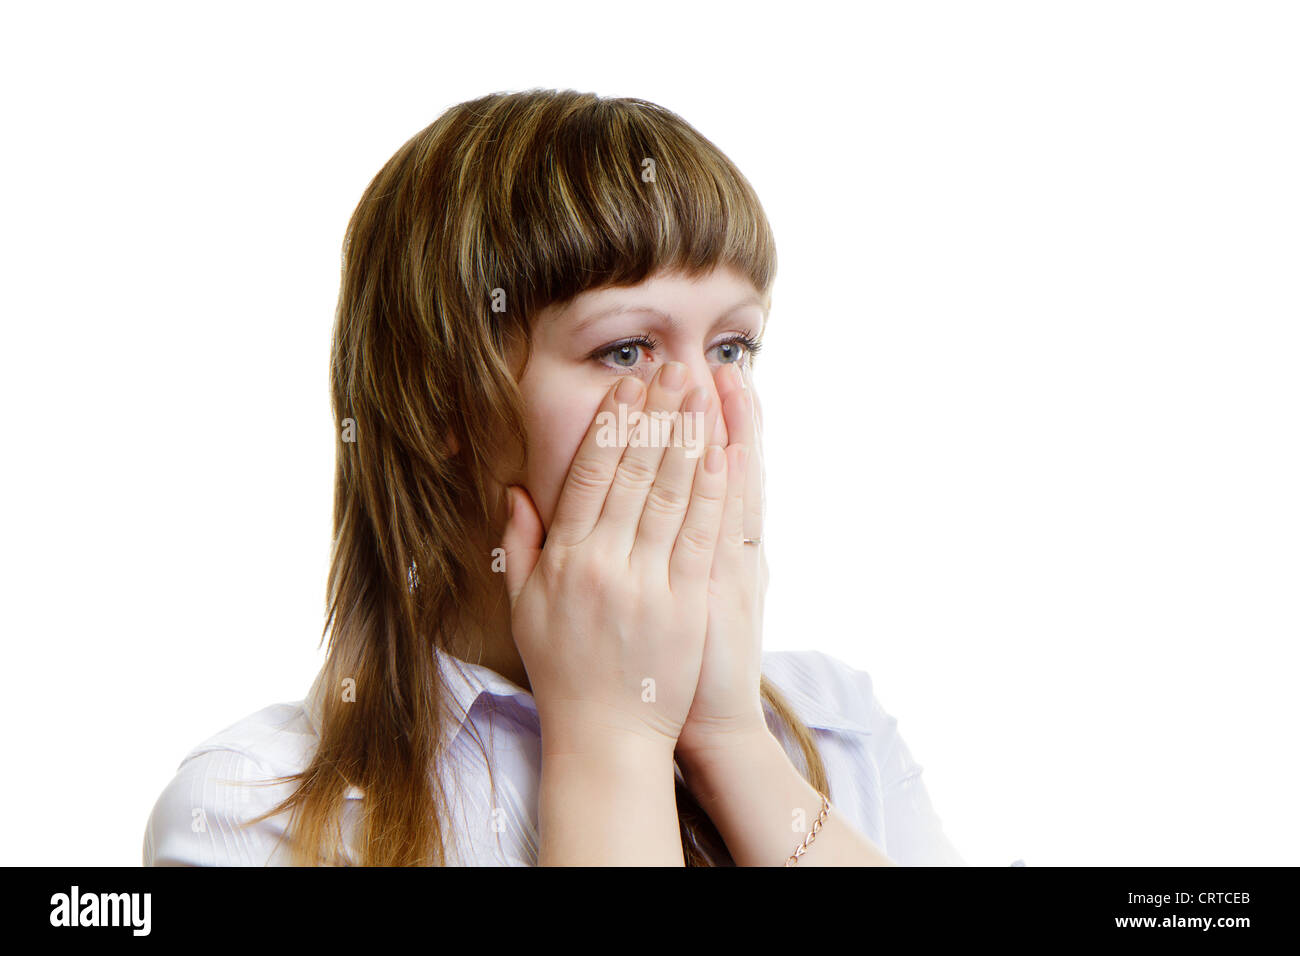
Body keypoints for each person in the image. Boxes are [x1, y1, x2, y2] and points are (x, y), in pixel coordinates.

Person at [142, 88, 965, 867]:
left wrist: (730, 742)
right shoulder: (253, 812)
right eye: (627, 350)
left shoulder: (840, 725)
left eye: (731, 347)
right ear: (440, 402)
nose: (707, 413)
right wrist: (613, 739)